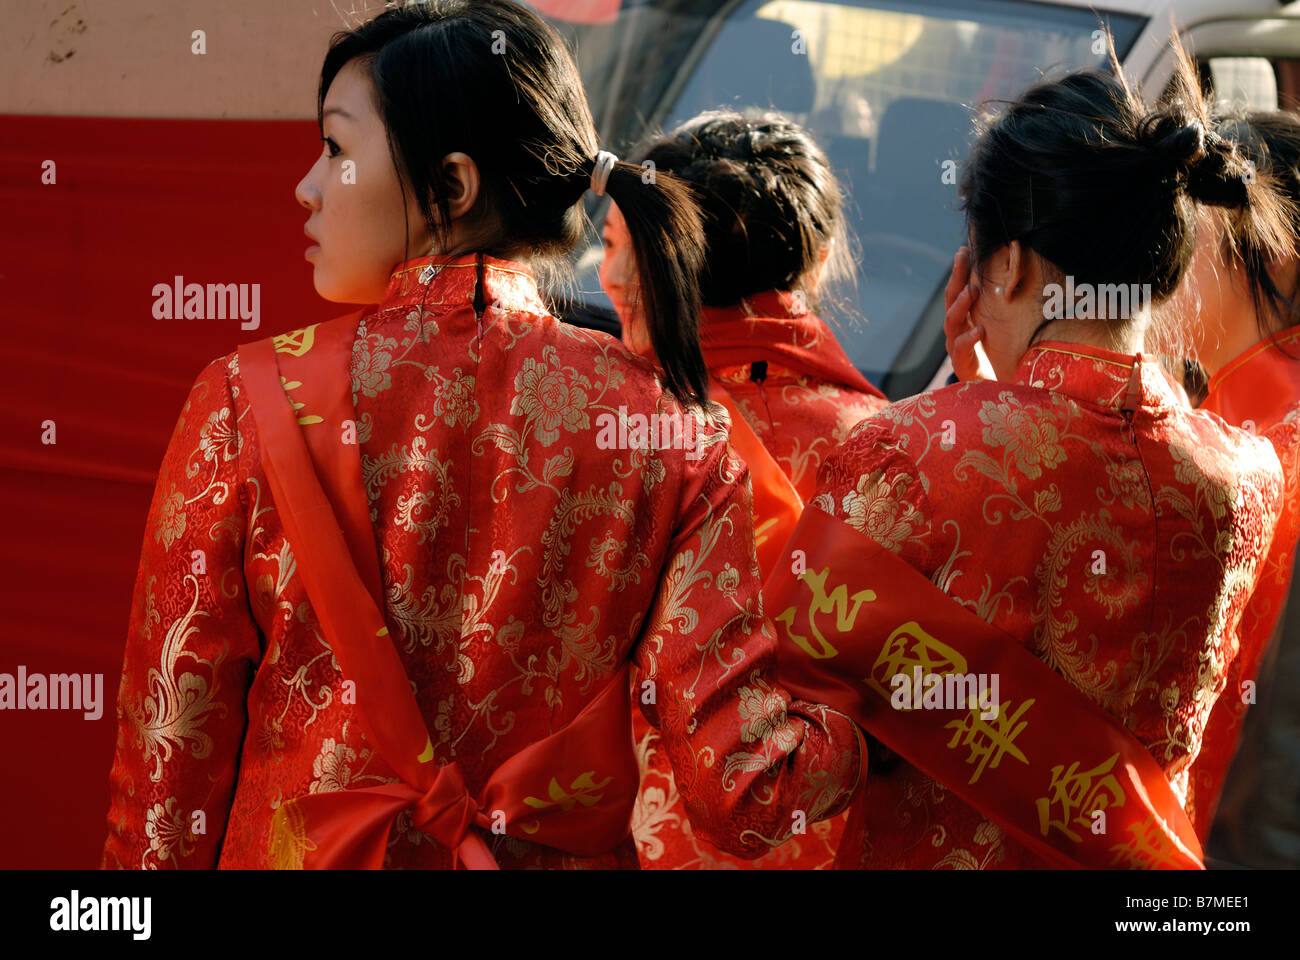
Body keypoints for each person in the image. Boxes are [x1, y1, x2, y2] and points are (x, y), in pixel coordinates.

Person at [99, 0, 863, 870]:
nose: (307, 186)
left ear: (451, 186)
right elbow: (749, 792)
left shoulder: (245, 401)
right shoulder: (668, 426)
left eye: (337, 150)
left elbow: (167, 777)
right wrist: (867, 698)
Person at [766, 37, 1292, 868]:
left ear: (1004, 264)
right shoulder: (1250, 478)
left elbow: (785, 778)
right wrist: (983, 394)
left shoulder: (903, 453)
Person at [600, 110, 887, 868]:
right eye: (607, 248)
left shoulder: (611, 433)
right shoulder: (900, 445)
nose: (613, 279)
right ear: (820, 261)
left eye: (621, 250)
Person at [1171, 111, 1300, 865]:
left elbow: (1276, 765)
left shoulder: (1268, 446)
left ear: (1276, 257)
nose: (1166, 269)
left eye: (1193, 238)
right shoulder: (1212, 409)